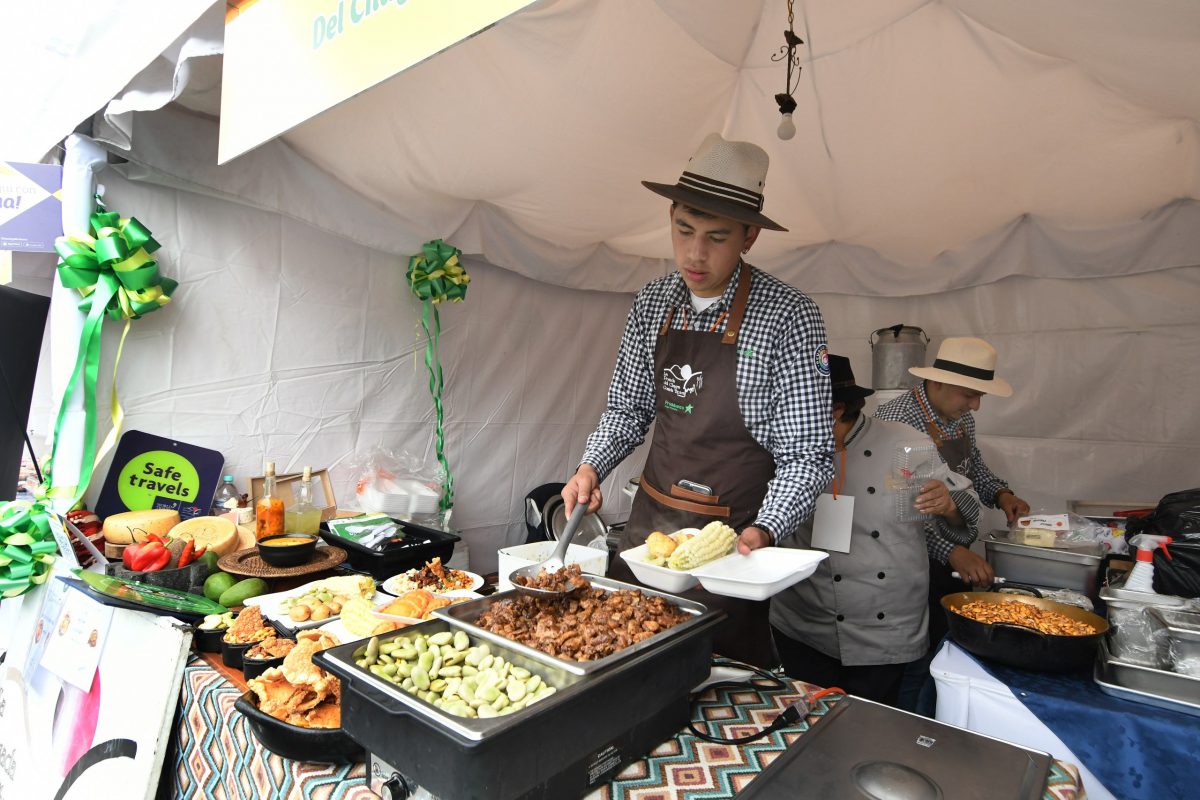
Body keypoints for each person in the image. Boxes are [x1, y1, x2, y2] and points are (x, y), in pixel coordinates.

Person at [562, 133, 835, 668]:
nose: (695, 253)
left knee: (712, 676)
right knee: (623, 658)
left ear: (750, 236)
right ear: (670, 215)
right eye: (684, 230)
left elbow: (808, 456)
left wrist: (765, 529)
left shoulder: (790, 316)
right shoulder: (653, 301)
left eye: (716, 237)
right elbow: (627, 409)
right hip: (649, 533)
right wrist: (590, 466)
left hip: (731, 548)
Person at [770, 355, 980, 705]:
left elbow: (966, 513)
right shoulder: (781, 441)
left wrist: (949, 504)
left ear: (835, 410)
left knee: (873, 729)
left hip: (884, 629)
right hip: (804, 622)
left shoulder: (906, 443)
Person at [875, 336, 1027, 710]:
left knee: (940, 650)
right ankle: (908, 722)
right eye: (968, 395)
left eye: (979, 397)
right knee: (914, 656)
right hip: (908, 560)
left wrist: (1001, 494)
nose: (975, 405)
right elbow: (897, 511)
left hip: (951, 546)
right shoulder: (896, 424)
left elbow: (972, 468)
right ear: (937, 382)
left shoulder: (962, 420)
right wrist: (951, 551)